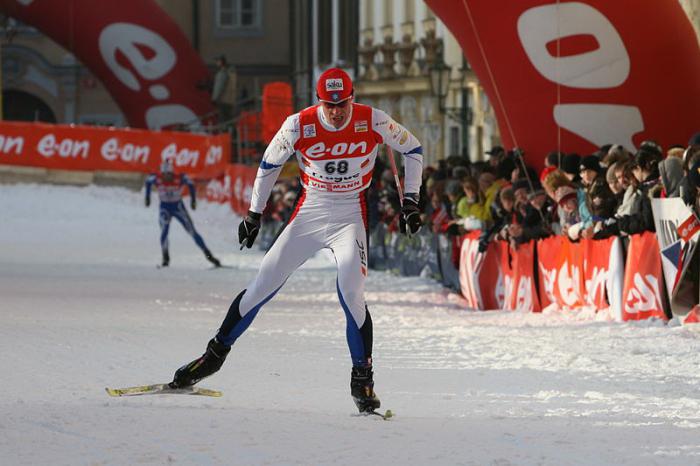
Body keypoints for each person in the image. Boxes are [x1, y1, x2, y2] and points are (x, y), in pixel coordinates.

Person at [169, 68, 424, 414]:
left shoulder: (373, 120)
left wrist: (410, 201)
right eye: (329, 105)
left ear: (352, 98)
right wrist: (254, 215)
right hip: (310, 212)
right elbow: (269, 165)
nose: (336, 112)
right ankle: (212, 357)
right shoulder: (298, 124)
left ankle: (362, 380)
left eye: (343, 104)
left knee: (351, 289)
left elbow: (413, 149)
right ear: (319, 101)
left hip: (350, 214)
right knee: (263, 283)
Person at [145, 160, 221, 268]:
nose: (167, 177)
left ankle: (209, 255)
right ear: (162, 174)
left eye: (169, 174)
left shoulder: (179, 178)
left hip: (178, 207)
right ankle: (165, 258)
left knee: (192, 231)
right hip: (165, 208)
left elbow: (190, 184)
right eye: (165, 175)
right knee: (164, 231)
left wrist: (193, 200)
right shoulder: (157, 178)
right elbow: (148, 182)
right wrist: (147, 197)